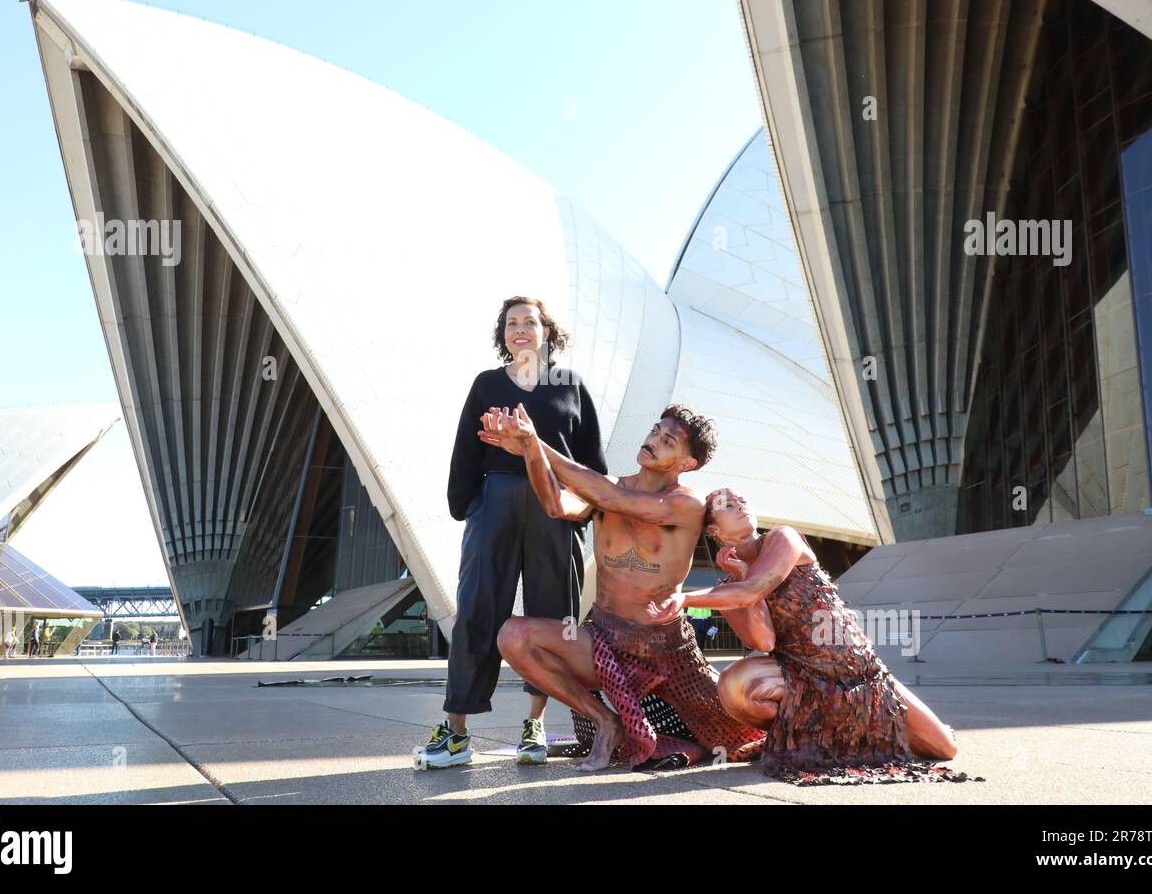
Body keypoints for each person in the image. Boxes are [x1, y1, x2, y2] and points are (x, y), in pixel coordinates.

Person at [482, 402, 765, 772]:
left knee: (739, 729)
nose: (653, 442)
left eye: (668, 441)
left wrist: (534, 443)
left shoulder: (687, 504)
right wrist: (529, 451)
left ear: (687, 463)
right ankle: (605, 721)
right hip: (603, 643)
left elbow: (617, 501)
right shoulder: (607, 487)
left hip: (665, 654)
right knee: (512, 636)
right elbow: (555, 503)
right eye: (654, 431)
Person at [647, 487, 974, 785]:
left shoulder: (782, 538)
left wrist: (687, 598)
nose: (742, 504)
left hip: (856, 669)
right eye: (729, 505)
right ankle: (794, 737)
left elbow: (755, 587)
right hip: (801, 676)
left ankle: (820, 739)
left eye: (743, 499)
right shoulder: (731, 589)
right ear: (715, 532)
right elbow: (764, 642)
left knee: (943, 748)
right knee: (735, 686)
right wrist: (741, 576)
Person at [415, 296, 609, 770]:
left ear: (547, 330)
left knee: (551, 617)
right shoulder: (487, 384)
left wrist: (580, 513)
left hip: (554, 508)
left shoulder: (571, 386)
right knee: (477, 610)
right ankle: (456, 732)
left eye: (529, 322)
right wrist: (471, 505)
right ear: (503, 334)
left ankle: (534, 726)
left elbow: (591, 463)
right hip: (495, 501)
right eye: (511, 323)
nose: (520, 329)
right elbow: (464, 449)